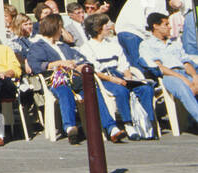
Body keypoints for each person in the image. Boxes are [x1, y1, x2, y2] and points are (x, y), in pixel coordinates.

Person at [82, 12, 154, 141]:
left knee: (146, 89)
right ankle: (128, 124)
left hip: (119, 75)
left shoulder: (113, 44)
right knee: (121, 90)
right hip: (105, 79)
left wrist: (129, 78)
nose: (109, 27)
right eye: (105, 25)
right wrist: (114, 79)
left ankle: (147, 125)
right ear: (97, 28)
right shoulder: (87, 47)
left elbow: (124, 65)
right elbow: (95, 72)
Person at [24, 14, 89, 144]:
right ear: (54, 28)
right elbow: (36, 66)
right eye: (61, 28)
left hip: (73, 76)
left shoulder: (63, 46)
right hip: (55, 77)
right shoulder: (38, 46)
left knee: (92, 88)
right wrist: (59, 63)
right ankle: (70, 127)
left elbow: (81, 58)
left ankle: (110, 127)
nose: (62, 31)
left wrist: (81, 65)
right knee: (64, 90)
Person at [139, 12, 198, 125]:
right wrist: (183, 79)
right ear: (156, 26)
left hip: (185, 73)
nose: (170, 27)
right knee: (184, 89)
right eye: (166, 24)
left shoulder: (174, 43)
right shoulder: (147, 45)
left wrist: (195, 77)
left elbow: (186, 62)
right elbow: (159, 67)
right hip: (169, 76)